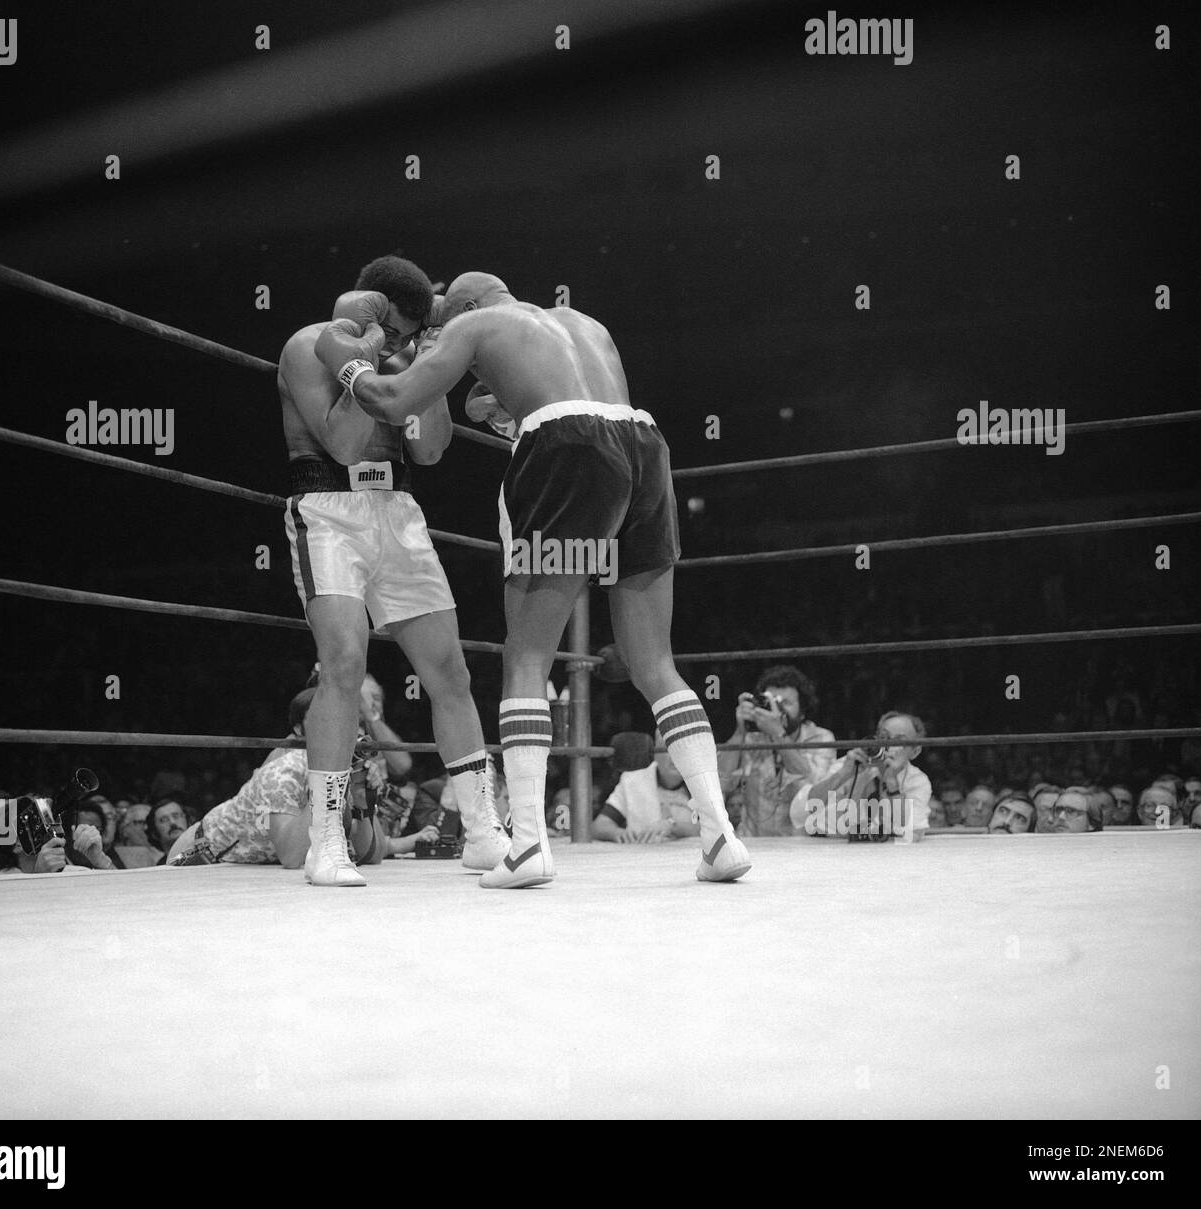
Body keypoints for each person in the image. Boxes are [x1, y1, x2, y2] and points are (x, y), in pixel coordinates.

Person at [339, 271, 751, 887]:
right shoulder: (585, 325)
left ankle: (527, 844)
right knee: (654, 662)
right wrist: (503, 407)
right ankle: (721, 837)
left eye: (442, 324)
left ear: (467, 307)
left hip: (564, 446)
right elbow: (577, 407)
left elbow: (395, 400)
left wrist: (345, 362)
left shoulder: (474, 323)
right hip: (643, 443)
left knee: (527, 656)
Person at [276, 255, 509, 886]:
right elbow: (347, 444)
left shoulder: (407, 357)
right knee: (345, 665)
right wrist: (370, 354)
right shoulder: (305, 346)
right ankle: (326, 842)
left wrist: (427, 363)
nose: (403, 343)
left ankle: (484, 830)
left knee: (450, 670)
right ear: (370, 309)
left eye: (412, 333)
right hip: (328, 510)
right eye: (397, 329)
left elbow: (430, 450)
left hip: (399, 511)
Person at [166, 689, 439, 868]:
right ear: (299, 729)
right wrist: (328, 784)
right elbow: (293, 858)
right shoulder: (282, 771)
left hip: (253, 868)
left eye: (349, 720)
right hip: (204, 856)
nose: (343, 728)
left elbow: (372, 856)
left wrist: (362, 800)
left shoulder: (357, 770)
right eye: (328, 720)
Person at [717, 666, 835, 837]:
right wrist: (740, 731)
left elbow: (815, 789)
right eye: (772, 702)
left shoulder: (821, 738)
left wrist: (778, 734)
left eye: (785, 703)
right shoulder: (752, 739)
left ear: (803, 711)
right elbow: (721, 782)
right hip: (755, 845)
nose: (777, 710)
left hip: (802, 846)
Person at [790, 711, 933, 840]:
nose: (889, 744)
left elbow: (910, 833)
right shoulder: (852, 764)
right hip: (830, 849)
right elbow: (804, 810)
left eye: (899, 741)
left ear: (915, 752)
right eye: (884, 737)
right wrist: (843, 775)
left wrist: (891, 783)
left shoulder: (918, 781)